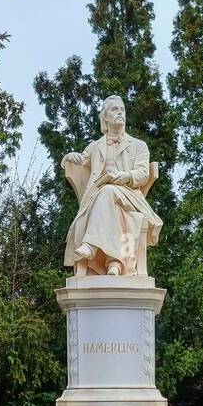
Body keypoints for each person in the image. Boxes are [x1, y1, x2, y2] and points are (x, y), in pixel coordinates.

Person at [62, 95, 163, 277]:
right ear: (104, 117)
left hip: (129, 196)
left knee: (108, 190)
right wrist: (68, 157)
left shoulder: (139, 146)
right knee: (106, 193)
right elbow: (80, 160)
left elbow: (142, 174)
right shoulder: (94, 147)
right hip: (100, 198)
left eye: (122, 110)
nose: (120, 113)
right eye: (115, 110)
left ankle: (90, 244)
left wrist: (121, 177)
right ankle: (114, 263)